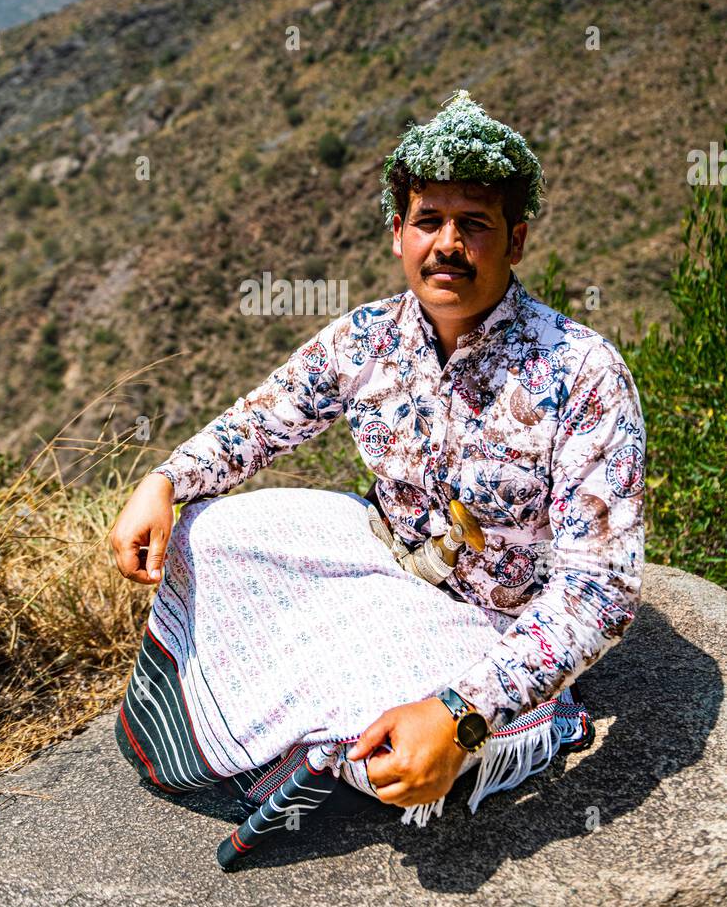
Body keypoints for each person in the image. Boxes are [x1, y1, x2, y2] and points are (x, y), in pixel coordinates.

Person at [110, 89, 646, 866]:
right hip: (376, 563)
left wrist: (463, 713)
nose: (449, 245)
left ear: (517, 239)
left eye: (476, 224)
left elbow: (601, 591)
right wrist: (163, 479)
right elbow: (262, 423)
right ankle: (304, 717)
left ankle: (433, 730)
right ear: (398, 233)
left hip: (492, 630)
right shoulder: (366, 337)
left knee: (392, 749)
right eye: (429, 221)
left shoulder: (584, 373)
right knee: (208, 531)